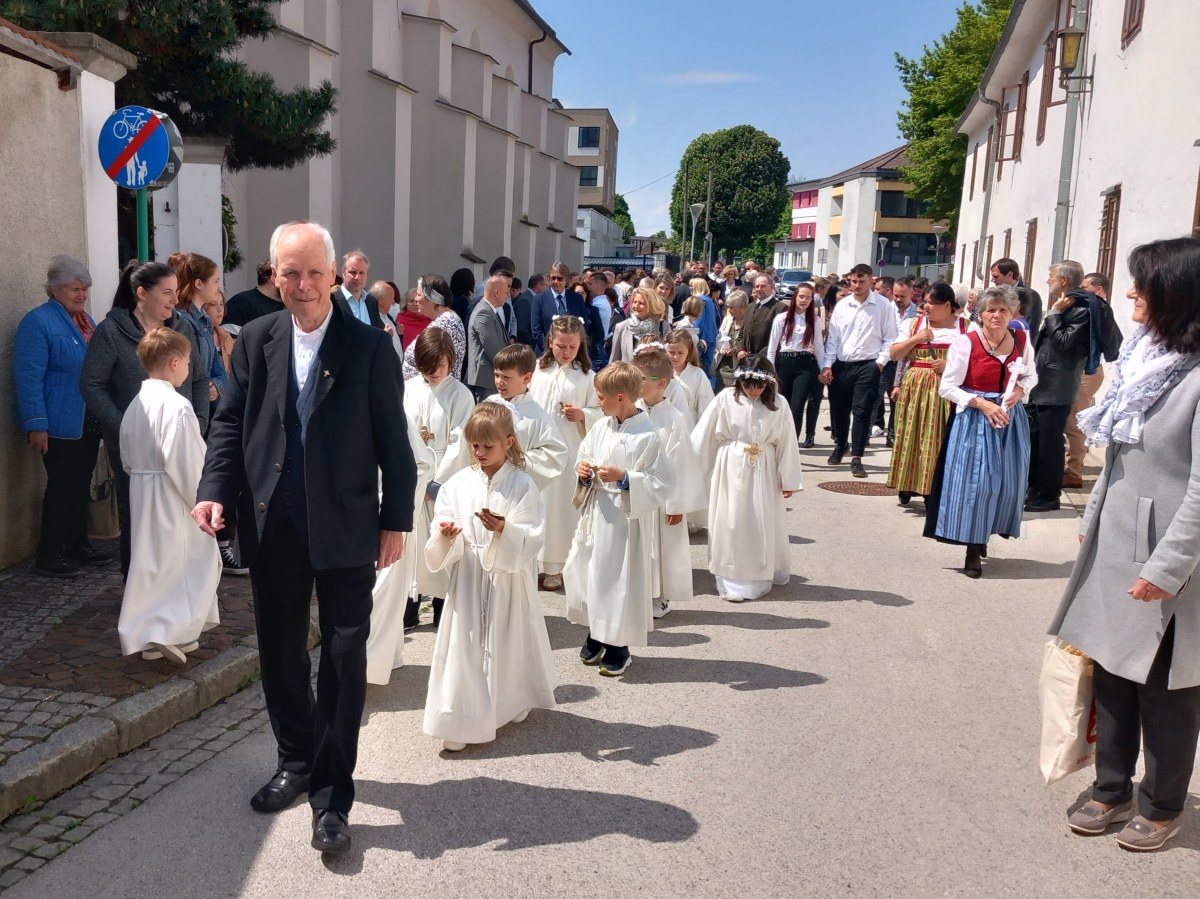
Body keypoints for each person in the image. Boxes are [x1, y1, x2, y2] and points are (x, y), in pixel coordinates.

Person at [192, 221, 417, 856]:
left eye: (315, 271)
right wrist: (214, 488)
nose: (305, 284)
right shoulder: (258, 337)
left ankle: (332, 798)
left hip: (347, 527)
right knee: (281, 651)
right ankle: (295, 760)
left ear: (334, 272)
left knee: (344, 659)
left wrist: (394, 519)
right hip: (273, 524)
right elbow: (230, 422)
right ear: (274, 275)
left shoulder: (370, 345)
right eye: (291, 273)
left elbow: (393, 443)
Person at [1048, 236, 1200, 853]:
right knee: (1110, 670)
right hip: (1116, 541)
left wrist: (1168, 566)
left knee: (1164, 688)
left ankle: (1162, 804)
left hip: (1170, 557)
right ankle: (1111, 787)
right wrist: (1097, 518)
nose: (1129, 293)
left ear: (1178, 295)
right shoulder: (1143, 357)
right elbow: (1119, 461)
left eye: (1143, 284)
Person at [422, 402, 556, 752]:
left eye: (488, 446)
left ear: (509, 442)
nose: (479, 453)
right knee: (464, 645)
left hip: (507, 576)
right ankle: (461, 718)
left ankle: (510, 700)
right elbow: (443, 516)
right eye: (474, 446)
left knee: (506, 640)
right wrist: (446, 531)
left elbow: (533, 532)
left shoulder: (523, 484)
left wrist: (505, 530)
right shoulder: (459, 482)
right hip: (468, 573)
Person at [80, 260, 208, 577]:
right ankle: (139, 594)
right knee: (139, 517)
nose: (174, 300)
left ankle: (175, 590)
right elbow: (91, 384)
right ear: (141, 293)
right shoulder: (111, 332)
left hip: (181, 442)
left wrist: (200, 422)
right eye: (166, 292)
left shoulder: (184, 326)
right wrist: (125, 426)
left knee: (180, 514)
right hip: (134, 449)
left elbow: (200, 379)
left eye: (175, 291)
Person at [118, 328, 220, 665]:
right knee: (188, 559)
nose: (189, 369)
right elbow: (186, 459)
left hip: (142, 489)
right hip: (172, 492)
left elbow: (126, 455)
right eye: (189, 362)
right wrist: (203, 499)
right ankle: (170, 629)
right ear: (174, 362)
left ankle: (159, 633)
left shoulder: (136, 403)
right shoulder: (178, 406)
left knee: (151, 563)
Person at [923, 285, 1037, 577]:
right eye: (991, 310)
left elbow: (1031, 375)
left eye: (1003, 310)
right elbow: (947, 388)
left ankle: (985, 531)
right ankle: (972, 549)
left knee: (1007, 485)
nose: (997, 315)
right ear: (981, 314)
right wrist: (982, 404)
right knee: (979, 485)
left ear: (1012, 313)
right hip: (975, 421)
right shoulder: (966, 343)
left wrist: (1020, 390)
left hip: (1010, 421)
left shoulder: (1021, 340)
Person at [564, 362, 670, 678]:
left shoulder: (648, 435)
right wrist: (582, 469)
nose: (597, 401)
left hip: (625, 521)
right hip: (597, 513)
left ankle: (618, 646)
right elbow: (586, 453)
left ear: (621, 397)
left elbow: (661, 481)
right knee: (593, 574)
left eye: (601, 396)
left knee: (618, 582)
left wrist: (626, 478)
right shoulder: (602, 426)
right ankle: (597, 633)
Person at [14, 255, 111, 577]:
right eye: (74, 289)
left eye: (84, 289)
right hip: (58, 422)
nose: (81, 295)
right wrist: (36, 425)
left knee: (79, 483)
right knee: (62, 486)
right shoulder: (38, 322)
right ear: (54, 290)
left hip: (86, 419)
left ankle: (77, 544)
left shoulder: (86, 322)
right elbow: (28, 377)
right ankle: (50, 554)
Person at [692, 353, 803, 602]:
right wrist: (694, 471)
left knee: (759, 518)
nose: (753, 391)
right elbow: (704, 436)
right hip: (730, 464)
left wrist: (788, 479)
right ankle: (731, 574)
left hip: (763, 466)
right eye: (747, 385)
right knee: (731, 518)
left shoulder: (779, 404)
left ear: (768, 383)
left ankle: (758, 572)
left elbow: (787, 442)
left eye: (759, 385)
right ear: (740, 381)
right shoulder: (725, 399)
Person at [403, 329, 476, 631]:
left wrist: (439, 481)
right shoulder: (408, 389)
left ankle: (443, 603)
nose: (434, 373)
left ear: (451, 361)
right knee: (412, 542)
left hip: (444, 481)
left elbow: (461, 441)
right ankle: (410, 602)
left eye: (441, 366)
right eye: (427, 367)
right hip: (412, 476)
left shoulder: (460, 394)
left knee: (443, 537)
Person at [633, 347, 707, 618]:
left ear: (660, 384)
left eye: (641, 379)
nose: (635, 384)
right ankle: (638, 592)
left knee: (661, 548)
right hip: (637, 493)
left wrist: (677, 504)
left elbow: (682, 464)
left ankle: (660, 596)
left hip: (663, 499)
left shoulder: (674, 419)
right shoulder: (632, 411)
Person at [529, 316, 597, 592]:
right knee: (537, 505)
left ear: (580, 345)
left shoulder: (586, 377)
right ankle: (532, 561)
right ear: (550, 342)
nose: (566, 352)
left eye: (571, 346)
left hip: (570, 451)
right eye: (560, 346)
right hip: (538, 449)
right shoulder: (536, 372)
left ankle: (557, 566)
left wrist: (583, 414)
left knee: (562, 510)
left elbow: (599, 411)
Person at [365, 414, 434, 685]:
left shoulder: (389, 409)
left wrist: (391, 509)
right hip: (355, 515)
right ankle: (387, 657)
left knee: (380, 592)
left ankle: (366, 667)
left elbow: (420, 464)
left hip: (388, 515)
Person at [885, 282, 968, 504]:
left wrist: (949, 364)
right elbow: (894, 354)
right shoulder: (913, 324)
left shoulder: (966, 328)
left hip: (947, 388)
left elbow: (976, 360)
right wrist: (916, 339)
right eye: (926, 302)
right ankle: (907, 483)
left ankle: (932, 488)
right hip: (915, 386)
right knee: (910, 434)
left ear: (948, 305)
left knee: (938, 438)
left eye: (934, 303)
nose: (928, 307)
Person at [1026, 260, 1094, 513]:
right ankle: (1035, 488)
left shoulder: (1081, 309)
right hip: (1042, 386)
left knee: (1050, 445)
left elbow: (1063, 342)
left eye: (1050, 275)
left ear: (1064, 280)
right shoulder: (1067, 306)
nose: (1047, 280)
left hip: (1057, 389)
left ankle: (1049, 494)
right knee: (1036, 441)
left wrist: (1053, 314)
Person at [820, 263, 898, 478]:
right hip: (842, 363)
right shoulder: (843, 306)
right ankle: (840, 445)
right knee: (839, 409)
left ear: (870, 281)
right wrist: (828, 364)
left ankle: (857, 457)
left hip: (868, 364)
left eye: (862, 281)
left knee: (862, 410)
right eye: (854, 281)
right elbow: (833, 339)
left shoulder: (883, 306)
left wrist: (880, 363)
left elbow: (890, 338)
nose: (857, 285)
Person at [1063, 271, 1124, 489]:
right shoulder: (1097, 310)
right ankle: (1072, 466)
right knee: (1073, 420)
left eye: (1086, 287)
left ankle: (1074, 472)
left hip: (1088, 372)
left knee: (1074, 422)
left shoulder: (1099, 309)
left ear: (1098, 290)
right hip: (1088, 371)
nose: (1082, 290)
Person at [169, 252, 229, 426]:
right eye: (215, 281)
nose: (218, 288)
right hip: (190, 415)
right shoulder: (180, 321)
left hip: (205, 411)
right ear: (199, 284)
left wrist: (216, 386)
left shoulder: (204, 320)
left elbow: (219, 371)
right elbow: (190, 376)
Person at [767, 282, 825, 449]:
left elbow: (819, 346)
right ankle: (778, 441)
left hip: (805, 364)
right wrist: (772, 373)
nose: (804, 300)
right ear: (795, 297)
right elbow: (772, 347)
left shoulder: (814, 320)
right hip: (784, 362)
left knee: (797, 406)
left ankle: (792, 445)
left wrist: (823, 369)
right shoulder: (782, 318)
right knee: (780, 404)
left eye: (808, 298)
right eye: (801, 296)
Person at [402, 274, 465, 381]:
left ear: (430, 298)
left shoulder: (447, 323)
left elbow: (443, 367)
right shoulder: (446, 319)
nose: (416, 299)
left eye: (418, 294)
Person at [467, 275, 513, 401]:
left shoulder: (489, 311)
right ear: (497, 293)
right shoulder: (484, 313)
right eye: (506, 292)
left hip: (489, 378)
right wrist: (511, 370)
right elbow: (493, 350)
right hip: (485, 380)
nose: (508, 296)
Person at [665, 327, 716, 432]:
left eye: (680, 353)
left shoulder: (697, 374)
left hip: (689, 427)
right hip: (666, 426)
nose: (675, 357)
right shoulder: (661, 373)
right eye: (672, 352)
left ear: (688, 352)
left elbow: (706, 406)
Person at [532, 262, 586, 353]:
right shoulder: (539, 299)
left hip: (571, 354)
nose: (556, 281)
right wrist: (553, 348)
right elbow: (536, 330)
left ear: (567, 280)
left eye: (560, 278)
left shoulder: (577, 299)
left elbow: (584, 326)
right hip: (546, 352)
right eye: (553, 278)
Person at [609, 286, 669, 363]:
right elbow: (614, 360)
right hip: (629, 374)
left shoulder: (663, 326)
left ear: (651, 305)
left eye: (641, 303)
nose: (636, 306)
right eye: (634, 302)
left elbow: (667, 358)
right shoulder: (621, 327)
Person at [991, 257, 1044, 335]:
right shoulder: (999, 294)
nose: (992, 280)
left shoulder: (1029, 295)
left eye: (996, 276)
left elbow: (1030, 329)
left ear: (1010, 275)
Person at [335, 250, 386, 330]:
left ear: (367, 275)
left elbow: (378, 331)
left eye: (361, 273)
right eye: (353, 272)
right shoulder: (331, 301)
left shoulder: (371, 302)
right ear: (343, 272)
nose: (357, 277)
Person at [225, 261, 283, 328]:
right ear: (273, 277)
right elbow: (227, 337)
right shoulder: (241, 304)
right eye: (287, 275)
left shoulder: (290, 305)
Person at [713, 290, 749, 391]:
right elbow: (719, 338)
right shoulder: (727, 320)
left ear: (741, 307)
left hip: (739, 368)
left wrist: (736, 350)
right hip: (723, 368)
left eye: (731, 307)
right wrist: (722, 348)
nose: (729, 310)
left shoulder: (749, 322)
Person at [741, 274, 782, 357]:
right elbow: (742, 333)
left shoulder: (780, 308)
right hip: (746, 360)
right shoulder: (749, 307)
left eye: (763, 286)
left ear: (772, 287)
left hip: (767, 360)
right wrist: (740, 350)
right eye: (757, 286)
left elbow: (780, 340)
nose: (759, 289)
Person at [688, 277, 720, 380]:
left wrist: (693, 334)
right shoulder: (709, 299)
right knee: (710, 365)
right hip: (711, 335)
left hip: (703, 337)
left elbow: (698, 319)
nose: (690, 287)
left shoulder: (699, 300)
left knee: (703, 367)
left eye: (692, 285)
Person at [396, 287, 432, 351]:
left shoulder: (431, 319)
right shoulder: (400, 319)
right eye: (411, 301)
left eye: (418, 301)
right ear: (406, 303)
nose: (415, 304)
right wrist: (399, 335)